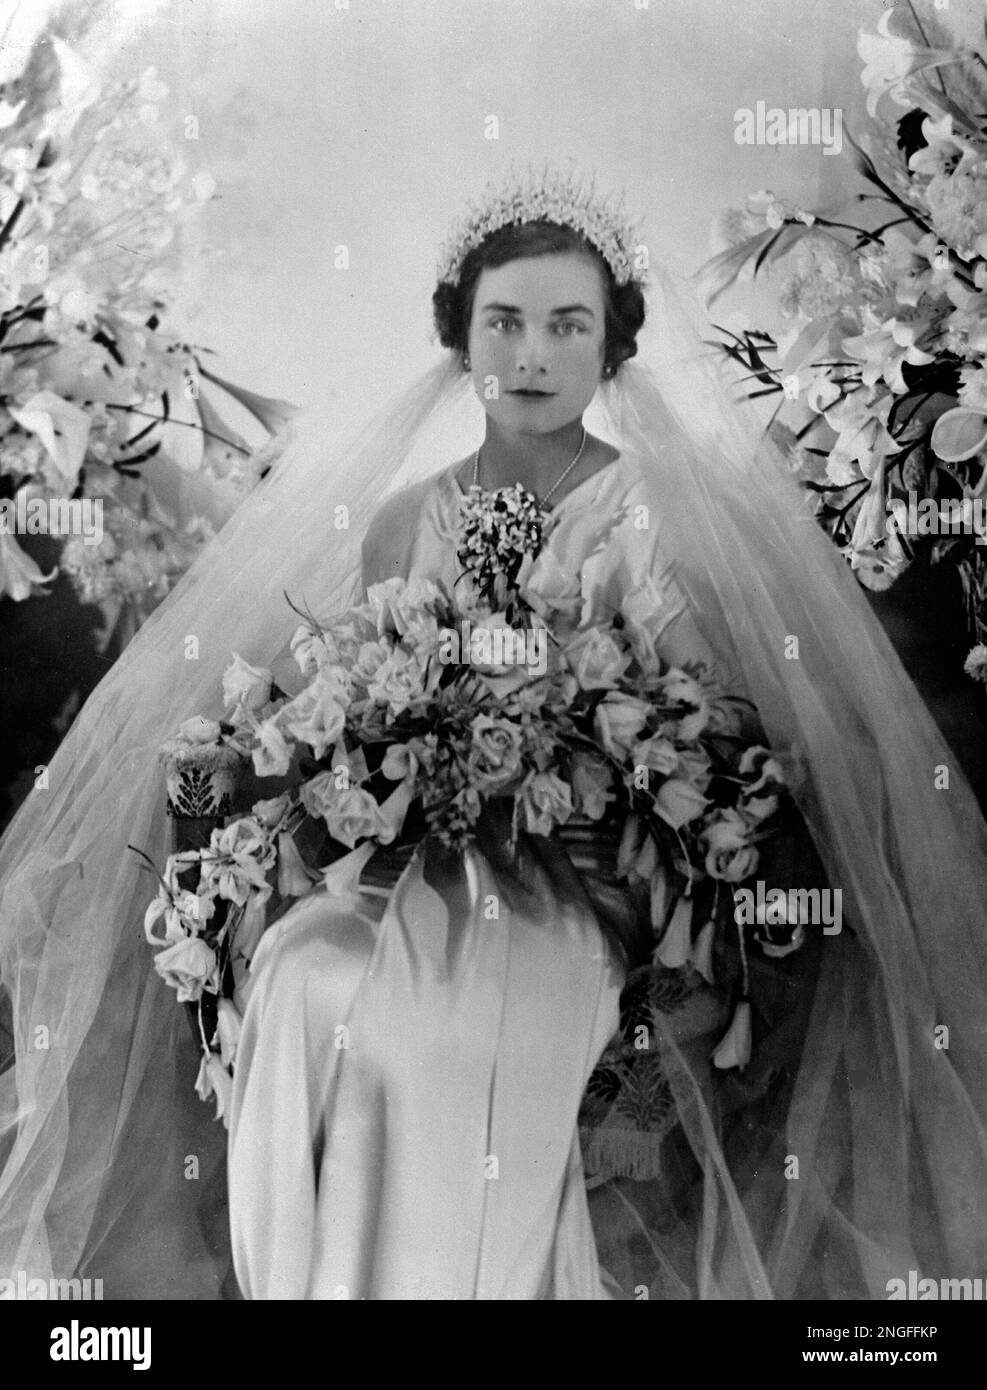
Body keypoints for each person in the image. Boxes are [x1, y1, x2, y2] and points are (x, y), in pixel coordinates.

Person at [1, 165, 987, 1301]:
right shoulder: (401, 519)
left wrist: (599, 793)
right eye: (502, 323)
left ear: (611, 343)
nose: (531, 356)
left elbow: (711, 751)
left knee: (447, 1023)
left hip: (587, 886)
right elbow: (349, 702)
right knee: (300, 967)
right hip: (406, 863)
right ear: (458, 339)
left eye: (567, 325)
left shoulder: (656, 516)